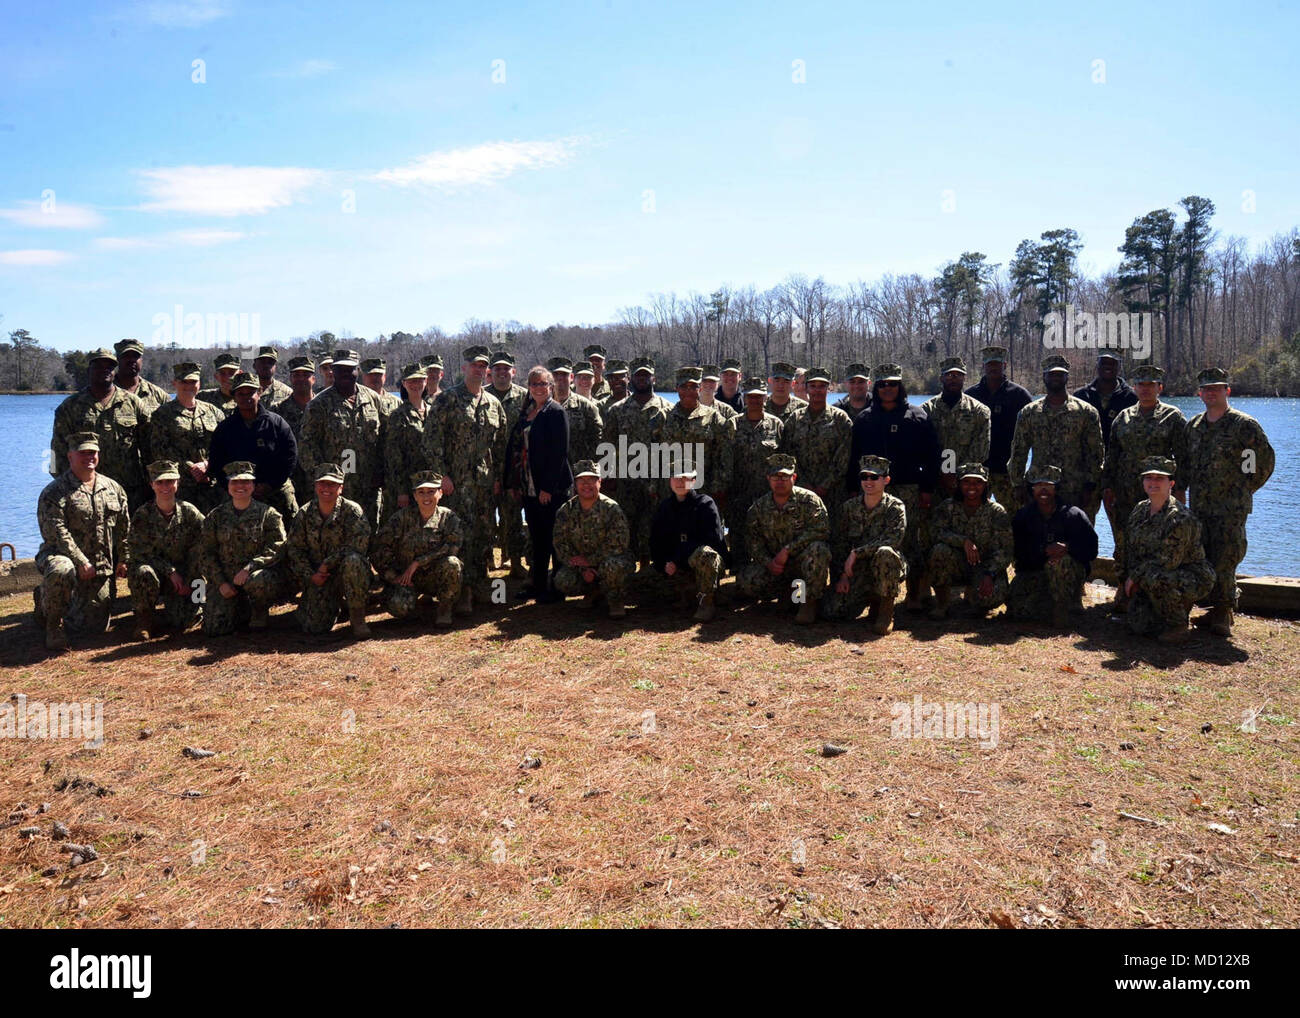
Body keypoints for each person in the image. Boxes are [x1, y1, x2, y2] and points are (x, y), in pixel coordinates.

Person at [1183, 366, 1276, 637]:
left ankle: (1224, 612)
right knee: (1203, 554)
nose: (1211, 393)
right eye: (1206, 389)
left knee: (1227, 556)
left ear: (1227, 391)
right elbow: (1187, 466)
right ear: (1200, 394)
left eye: (1216, 388)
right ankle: (1210, 607)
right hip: (1200, 505)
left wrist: (1243, 491)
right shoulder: (1195, 426)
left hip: (1230, 508)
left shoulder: (1243, 425)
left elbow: (1262, 463)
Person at [846, 363, 940, 611]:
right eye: (883, 384)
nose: (888, 389)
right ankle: (879, 593)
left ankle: (915, 593)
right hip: (874, 490)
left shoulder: (917, 416)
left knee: (910, 540)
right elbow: (854, 456)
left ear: (900, 387)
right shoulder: (865, 419)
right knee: (876, 539)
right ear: (876, 388)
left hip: (908, 487)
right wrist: (853, 488)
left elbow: (933, 457)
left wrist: (927, 489)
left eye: (893, 384)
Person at [425, 345, 507, 611]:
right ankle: (458, 591)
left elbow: (501, 445)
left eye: (483, 366)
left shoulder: (493, 403)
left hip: (484, 484)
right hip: (455, 485)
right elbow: (432, 441)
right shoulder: (447, 399)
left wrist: (498, 477)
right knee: (457, 537)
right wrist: (442, 476)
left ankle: (480, 585)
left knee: (484, 535)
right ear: (464, 368)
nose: (479, 370)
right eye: (475, 365)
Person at [1100, 365, 1188, 613]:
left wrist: (1179, 490)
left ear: (1160, 388)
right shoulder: (1124, 417)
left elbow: (1183, 457)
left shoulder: (1173, 417)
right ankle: (1123, 586)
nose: (1146, 389)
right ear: (1135, 388)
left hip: (1157, 493)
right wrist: (1108, 487)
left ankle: (1153, 591)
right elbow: (1113, 455)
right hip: (1126, 491)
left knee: (1159, 542)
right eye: (1141, 384)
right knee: (1124, 541)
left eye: (1151, 385)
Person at [34, 432, 131, 651]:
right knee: (61, 570)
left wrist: (124, 559)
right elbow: (55, 532)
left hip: (99, 567)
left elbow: (125, 529)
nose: (89, 457)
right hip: (62, 557)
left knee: (93, 627)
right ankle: (52, 623)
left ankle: (49, 601)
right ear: (70, 457)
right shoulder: (55, 491)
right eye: (83, 453)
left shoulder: (113, 489)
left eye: (93, 452)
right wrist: (79, 561)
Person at [1123, 457, 1215, 644]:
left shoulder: (1179, 518)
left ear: (1171, 483)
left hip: (1191, 575)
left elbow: (1168, 562)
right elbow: (1131, 548)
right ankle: (1163, 612)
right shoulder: (1140, 509)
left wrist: (1134, 578)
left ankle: (1178, 625)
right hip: (1152, 572)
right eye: (1149, 478)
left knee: (1155, 578)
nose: (1153, 482)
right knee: (1139, 625)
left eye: (1159, 478)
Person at [50, 347, 151, 512]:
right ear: (89, 370)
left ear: (115, 370)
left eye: (109, 367)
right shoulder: (69, 407)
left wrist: (152, 485)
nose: (104, 370)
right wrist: (66, 487)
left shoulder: (134, 404)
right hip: (83, 493)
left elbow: (149, 449)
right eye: (98, 366)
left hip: (131, 493)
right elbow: (56, 454)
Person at [736, 453, 830, 624]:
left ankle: (808, 603)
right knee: (746, 580)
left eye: (785, 476)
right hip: (776, 567)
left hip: (802, 565)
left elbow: (821, 530)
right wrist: (768, 563)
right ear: (768, 478)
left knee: (819, 549)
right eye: (775, 476)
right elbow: (753, 542)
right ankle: (786, 595)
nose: (780, 481)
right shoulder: (759, 507)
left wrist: (788, 549)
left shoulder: (809, 500)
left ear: (794, 477)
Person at [505, 366, 573, 602]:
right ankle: (538, 584)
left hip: (550, 489)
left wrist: (548, 488)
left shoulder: (556, 412)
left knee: (553, 538)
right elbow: (515, 450)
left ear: (551, 386)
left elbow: (560, 453)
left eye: (543, 384)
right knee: (537, 538)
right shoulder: (527, 412)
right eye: (534, 384)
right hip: (529, 487)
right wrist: (513, 483)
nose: (538, 388)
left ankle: (557, 588)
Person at [1008, 354, 1103, 520]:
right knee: (1038, 541)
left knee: (1078, 540)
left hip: (1075, 489)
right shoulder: (1029, 413)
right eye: (1051, 374)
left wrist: (1090, 486)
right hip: (1039, 488)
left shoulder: (1086, 412)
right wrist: (1018, 485)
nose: (1055, 378)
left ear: (1067, 376)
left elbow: (1095, 453)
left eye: (1060, 374)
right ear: (1044, 377)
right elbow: (1018, 451)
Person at [284, 463, 373, 638]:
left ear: (341, 488)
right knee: (314, 628)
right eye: (322, 483)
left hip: (345, 573)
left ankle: (357, 616)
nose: (326, 488)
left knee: (354, 561)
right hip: (319, 578)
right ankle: (331, 604)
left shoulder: (352, 511)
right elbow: (295, 550)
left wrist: (328, 563)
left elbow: (359, 545)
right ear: (315, 486)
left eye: (332, 484)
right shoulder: (304, 513)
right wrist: (311, 575)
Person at [199, 461, 288, 635]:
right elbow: (206, 553)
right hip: (226, 578)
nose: (240, 486)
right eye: (235, 482)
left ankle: (259, 609)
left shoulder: (268, 514)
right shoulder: (215, 516)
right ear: (228, 486)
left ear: (254, 485)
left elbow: (277, 547)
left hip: (255, 577)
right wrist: (221, 583)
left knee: (259, 580)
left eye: (246, 482)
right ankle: (240, 608)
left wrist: (249, 568)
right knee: (214, 629)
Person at [299, 348, 384, 528]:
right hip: (333, 488)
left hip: (368, 484)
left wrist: (381, 470)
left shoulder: (374, 399)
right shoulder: (318, 404)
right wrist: (322, 479)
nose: (345, 374)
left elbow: (386, 439)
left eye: (350, 369)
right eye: (340, 370)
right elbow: (307, 445)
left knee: (369, 530)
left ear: (358, 370)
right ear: (333, 372)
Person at [821, 454, 905, 634]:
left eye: (874, 477)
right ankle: (871, 597)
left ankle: (885, 611)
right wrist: (842, 576)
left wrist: (857, 553)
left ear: (886, 480)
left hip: (884, 565)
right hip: (856, 570)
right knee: (832, 611)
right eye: (864, 477)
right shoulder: (849, 507)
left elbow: (893, 539)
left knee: (885, 552)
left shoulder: (895, 507)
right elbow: (840, 544)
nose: (869, 481)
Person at [600, 356, 671, 567]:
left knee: (655, 524)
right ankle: (628, 569)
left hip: (657, 480)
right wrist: (608, 476)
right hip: (626, 480)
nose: (642, 379)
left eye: (646, 375)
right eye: (638, 375)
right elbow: (608, 446)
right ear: (631, 378)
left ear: (653, 379)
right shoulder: (617, 411)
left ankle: (653, 569)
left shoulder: (667, 410)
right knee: (627, 525)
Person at [1008, 465, 1098, 628]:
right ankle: (1049, 602)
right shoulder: (1023, 516)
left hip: (1068, 573)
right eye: (1038, 486)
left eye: (1048, 486)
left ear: (1056, 489)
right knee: (1018, 610)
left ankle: (1063, 606)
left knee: (1058, 562)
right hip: (1035, 570)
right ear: (1032, 489)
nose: (1043, 491)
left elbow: (1091, 549)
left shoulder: (1074, 515)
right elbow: (1016, 551)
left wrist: (1067, 548)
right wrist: (1043, 551)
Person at [371, 470, 464, 627]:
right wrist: (393, 576)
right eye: (421, 492)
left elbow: (452, 548)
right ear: (414, 495)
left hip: (435, 577)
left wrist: (418, 562)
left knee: (453, 563)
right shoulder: (401, 518)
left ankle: (444, 608)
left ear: (440, 493)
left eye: (431, 492)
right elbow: (379, 549)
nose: (426, 497)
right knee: (399, 607)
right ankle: (407, 604)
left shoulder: (449, 518)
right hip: (408, 580)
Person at [128, 459, 205, 639]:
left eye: (170, 481)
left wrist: (189, 577)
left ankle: (199, 608)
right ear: (152, 485)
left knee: (182, 622)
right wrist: (170, 572)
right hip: (158, 573)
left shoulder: (189, 512)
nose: (165, 486)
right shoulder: (142, 515)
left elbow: (206, 544)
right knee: (142, 572)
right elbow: (140, 552)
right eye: (160, 482)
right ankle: (145, 619)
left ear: (178, 483)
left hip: (185, 575)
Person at [208, 370, 299, 519]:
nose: (246, 398)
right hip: (237, 491)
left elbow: (290, 457)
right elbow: (216, 463)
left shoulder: (276, 423)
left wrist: (270, 484)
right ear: (234, 396)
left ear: (260, 392)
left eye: (251, 392)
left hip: (274, 488)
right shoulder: (225, 429)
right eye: (241, 394)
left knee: (289, 520)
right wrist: (236, 487)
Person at [926, 463, 1012, 620]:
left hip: (984, 566)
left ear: (985, 485)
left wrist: (990, 574)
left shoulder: (997, 512)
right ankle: (942, 603)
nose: (972, 486)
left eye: (978, 482)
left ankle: (977, 601)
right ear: (959, 484)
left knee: (993, 595)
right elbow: (936, 532)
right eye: (967, 482)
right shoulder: (947, 507)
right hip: (957, 564)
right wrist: (963, 541)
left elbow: (1005, 550)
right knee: (939, 551)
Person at [552, 460, 633, 619]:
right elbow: (560, 544)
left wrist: (589, 561)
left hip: (610, 560)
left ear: (600, 482)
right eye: (582, 481)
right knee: (562, 579)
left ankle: (616, 599)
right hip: (582, 565)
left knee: (612, 567)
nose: (586, 485)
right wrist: (583, 568)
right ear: (575, 484)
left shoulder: (611, 508)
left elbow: (619, 543)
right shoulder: (566, 511)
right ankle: (592, 592)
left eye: (592, 480)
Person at [650, 466, 730, 622]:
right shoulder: (664, 507)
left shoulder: (705, 504)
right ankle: (685, 594)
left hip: (704, 564)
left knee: (706, 555)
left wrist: (678, 558)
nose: (680, 482)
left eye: (685, 478)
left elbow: (712, 541)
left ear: (693, 481)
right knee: (638, 584)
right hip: (674, 566)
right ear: (669, 481)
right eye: (676, 478)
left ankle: (706, 603)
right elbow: (655, 542)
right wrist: (663, 563)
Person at [149, 360, 224, 512]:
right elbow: (159, 450)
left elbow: (226, 445)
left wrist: (208, 465)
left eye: (193, 381)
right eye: (184, 382)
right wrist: (191, 468)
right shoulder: (162, 414)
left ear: (199, 384)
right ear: (174, 383)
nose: (189, 386)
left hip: (213, 486)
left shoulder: (213, 412)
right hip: (180, 486)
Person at [780, 366, 851, 527]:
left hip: (833, 494)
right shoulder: (795, 419)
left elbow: (843, 458)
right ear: (806, 388)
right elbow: (788, 456)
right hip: (800, 493)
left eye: (822, 386)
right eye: (813, 386)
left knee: (834, 539)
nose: (817, 390)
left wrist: (823, 486)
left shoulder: (840, 419)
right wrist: (804, 484)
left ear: (829, 388)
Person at [966, 346, 1033, 510]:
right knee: (976, 518)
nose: (993, 367)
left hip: (1009, 473)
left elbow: (1034, 433)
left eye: (997, 364)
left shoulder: (1019, 395)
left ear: (1004, 365)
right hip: (978, 473)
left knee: (1014, 520)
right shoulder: (970, 396)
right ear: (984, 366)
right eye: (990, 364)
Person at [727, 377, 784, 571]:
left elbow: (785, 459)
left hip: (767, 493)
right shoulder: (733, 424)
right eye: (750, 397)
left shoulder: (776, 425)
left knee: (767, 536)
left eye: (759, 397)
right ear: (744, 397)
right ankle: (738, 578)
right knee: (738, 537)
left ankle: (767, 573)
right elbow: (724, 459)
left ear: (765, 398)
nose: (755, 401)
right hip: (738, 492)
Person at [660, 366, 733, 505]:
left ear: (699, 389)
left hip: (704, 488)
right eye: (684, 387)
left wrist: (720, 486)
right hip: (670, 489)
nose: (688, 391)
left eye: (693, 387)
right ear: (677, 388)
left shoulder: (713, 417)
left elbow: (723, 454)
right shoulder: (664, 416)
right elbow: (654, 452)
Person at [486, 350, 531, 578]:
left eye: (506, 369)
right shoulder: (481, 397)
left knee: (513, 517)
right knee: (484, 518)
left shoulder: (526, 398)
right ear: (490, 373)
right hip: (486, 469)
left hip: (515, 470)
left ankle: (515, 562)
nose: (502, 373)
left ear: (514, 371)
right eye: (497, 369)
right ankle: (485, 563)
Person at [922, 357, 990, 500]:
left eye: (958, 375)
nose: (953, 379)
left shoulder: (979, 411)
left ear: (964, 378)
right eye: (949, 375)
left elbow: (980, 450)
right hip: (934, 481)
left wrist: (958, 476)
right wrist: (941, 473)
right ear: (941, 378)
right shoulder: (926, 410)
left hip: (968, 483)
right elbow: (921, 447)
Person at [383, 363, 434, 523]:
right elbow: (393, 457)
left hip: (432, 484)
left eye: (419, 380)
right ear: (404, 384)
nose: (415, 384)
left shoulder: (435, 411)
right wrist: (401, 491)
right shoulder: (397, 416)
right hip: (408, 485)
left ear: (426, 381)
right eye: (411, 381)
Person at [271, 355, 317, 505]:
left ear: (314, 379)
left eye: (306, 375)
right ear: (290, 379)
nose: (301, 379)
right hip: (286, 482)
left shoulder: (325, 408)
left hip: (318, 481)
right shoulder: (277, 410)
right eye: (296, 375)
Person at [1073, 352, 1137, 453]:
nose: (1108, 366)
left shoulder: (1133, 398)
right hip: (1088, 463)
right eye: (1104, 363)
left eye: (1112, 363)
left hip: (1121, 463)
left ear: (1119, 367)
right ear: (1097, 365)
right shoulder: (1080, 397)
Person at [549, 356, 604, 465]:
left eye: (564, 374)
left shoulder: (586, 407)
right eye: (556, 375)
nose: (560, 378)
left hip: (579, 471)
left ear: (571, 377)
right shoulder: (542, 406)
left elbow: (599, 440)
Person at [112, 338, 170, 413]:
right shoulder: (105, 392)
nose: (131, 360)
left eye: (135, 356)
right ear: (118, 359)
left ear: (141, 360)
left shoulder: (158, 395)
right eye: (126, 356)